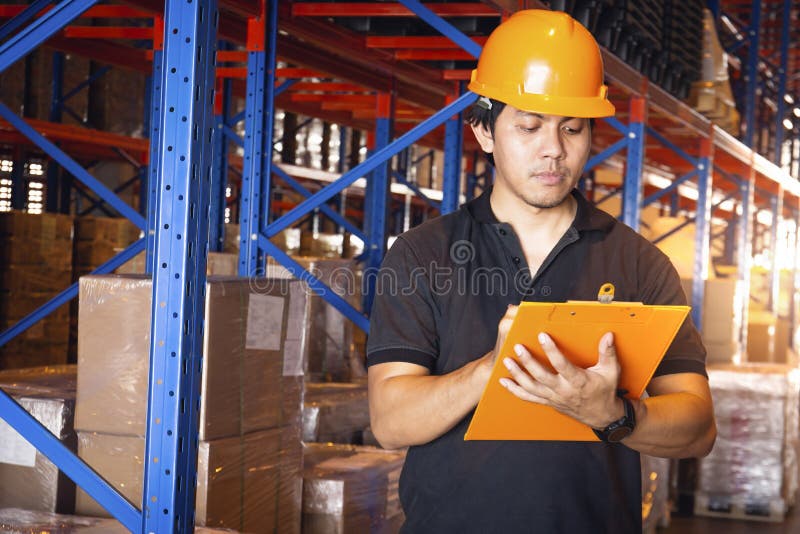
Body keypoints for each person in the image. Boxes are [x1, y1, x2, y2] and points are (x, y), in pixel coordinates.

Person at [366, 9, 716, 534]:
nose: (553, 149)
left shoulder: (639, 263)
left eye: (572, 128)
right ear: (484, 130)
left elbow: (698, 427)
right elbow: (391, 422)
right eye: (529, 126)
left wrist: (615, 415)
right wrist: (492, 369)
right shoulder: (423, 255)